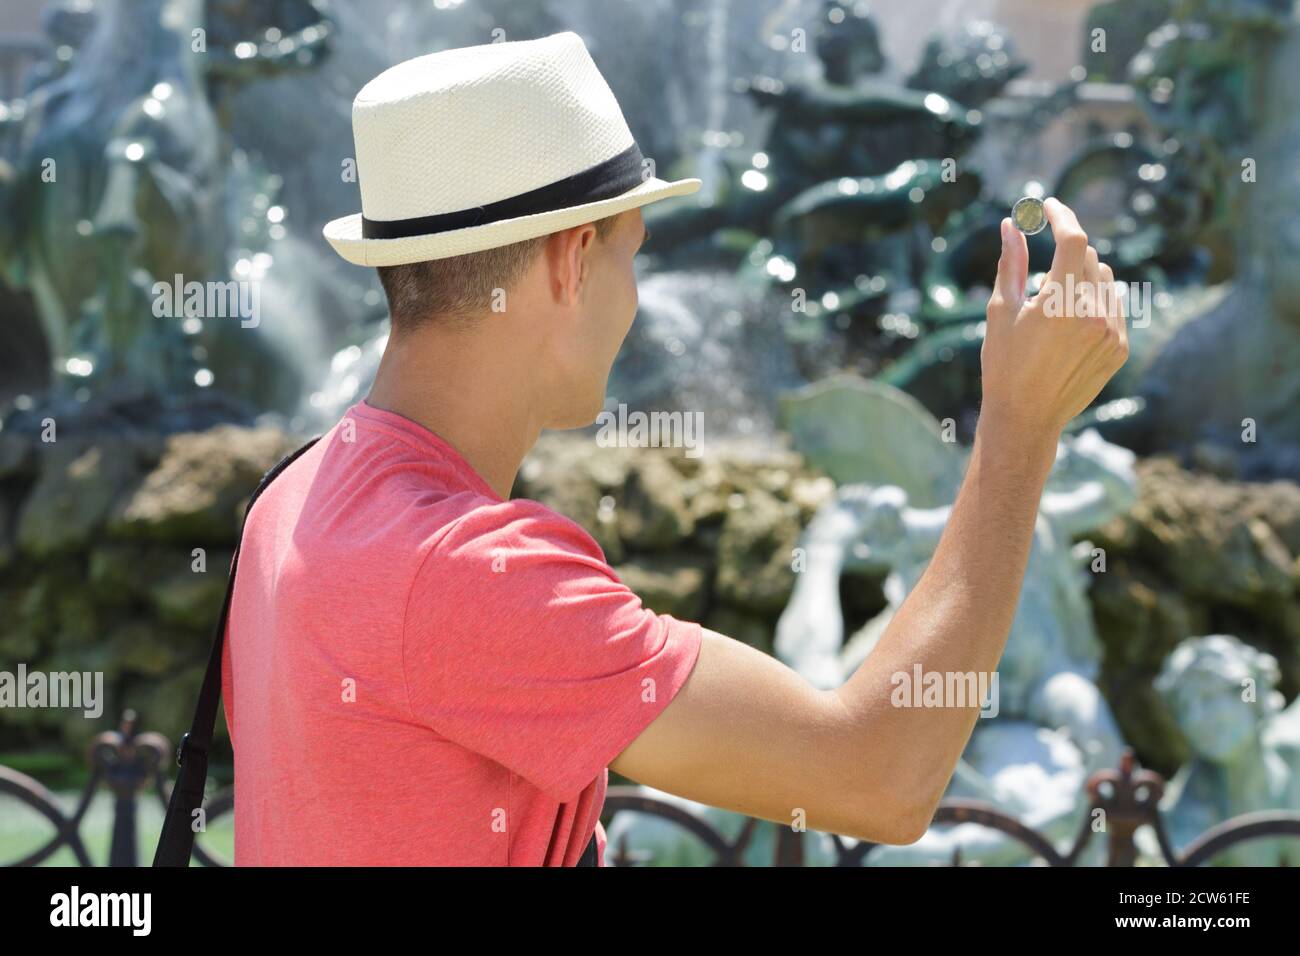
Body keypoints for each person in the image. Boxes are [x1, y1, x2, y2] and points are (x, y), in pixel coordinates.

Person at [222, 32, 1128, 865]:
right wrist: (1019, 428)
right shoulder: (471, 573)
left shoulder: (291, 497)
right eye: (632, 256)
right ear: (572, 261)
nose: (637, 297)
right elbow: (878, 778)